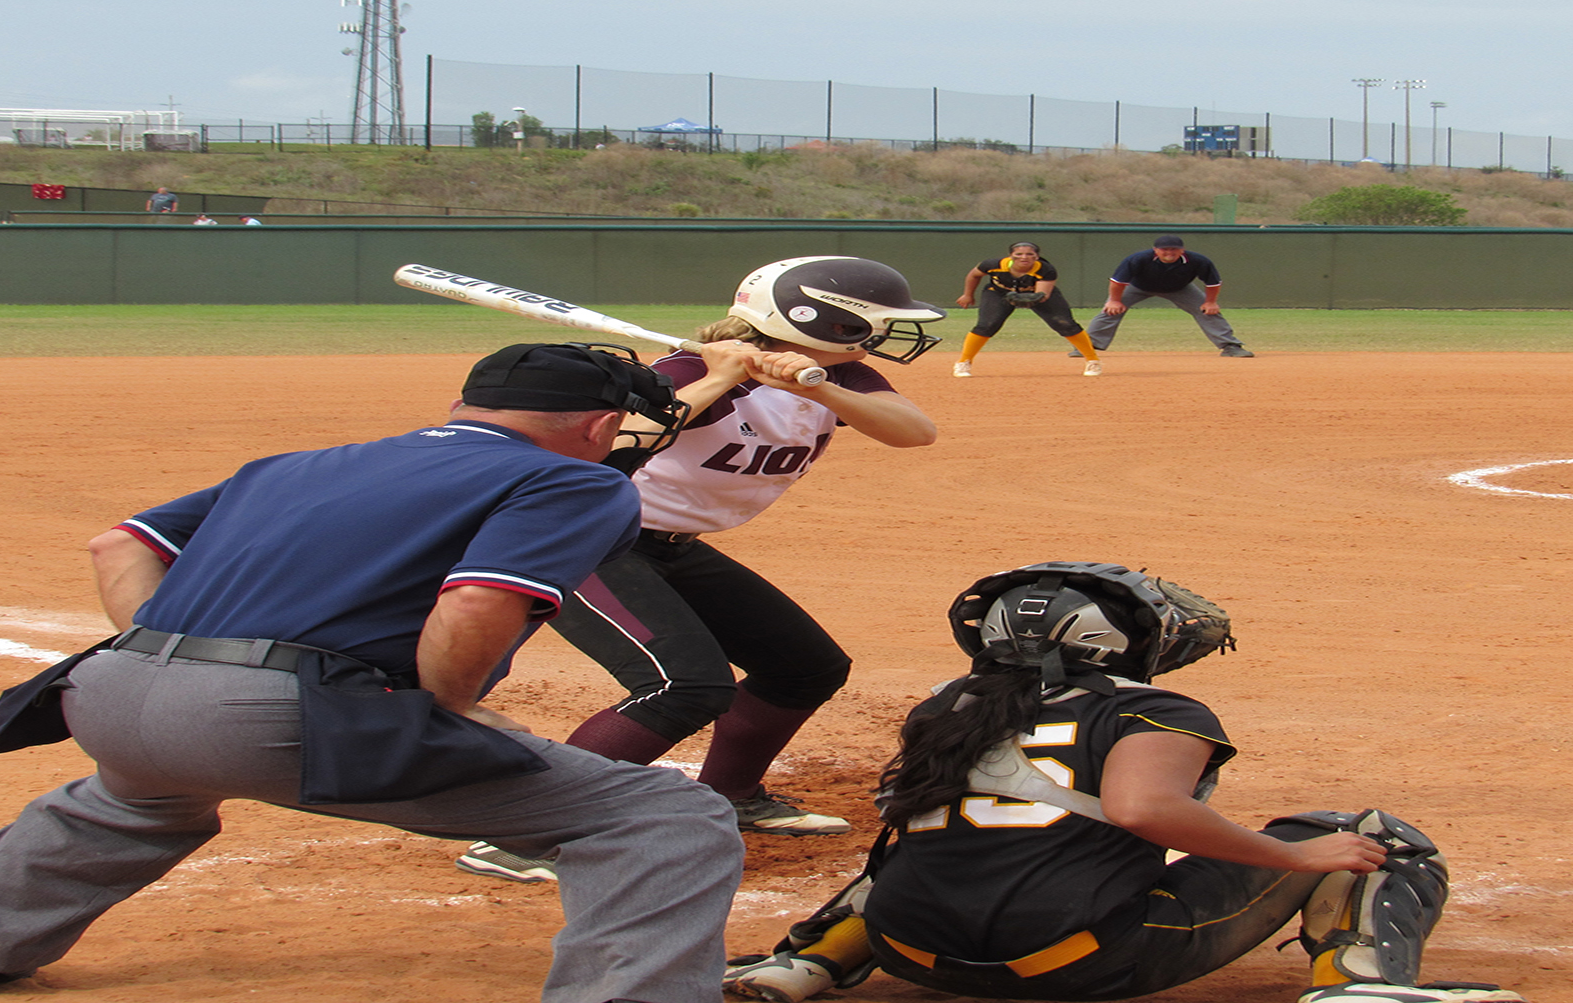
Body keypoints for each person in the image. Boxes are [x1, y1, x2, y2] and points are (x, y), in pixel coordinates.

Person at [0, 343, 746, 1003]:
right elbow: (477, 600)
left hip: (109, 692)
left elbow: (118, 544)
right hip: (269, 716)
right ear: (600, 427)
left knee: (137, 800)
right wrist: (447, 708)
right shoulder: (571, 479)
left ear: (466, 406)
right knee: (664, 816)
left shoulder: (300, 463)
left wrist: (169, 657)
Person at [721, 562, 1526, 1003]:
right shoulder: (1155, 707)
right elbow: (1143, 809)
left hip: (914, 952)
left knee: (937, 841)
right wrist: (1295, 858)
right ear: (1108, 644)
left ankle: (802, 964)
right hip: (1073, 961)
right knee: (1365, 836)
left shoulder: (946, 704)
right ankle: (1363, 988)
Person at [457, 256, 944, 885]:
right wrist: (719, 380)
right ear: (818, 319)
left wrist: (814, 386)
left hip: (671, 545)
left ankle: (731, 795)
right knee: (684, 684)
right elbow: (612, 445)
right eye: (872, 322)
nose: (883, 335)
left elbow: (915, 432)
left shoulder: (841, 374)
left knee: (804, 667)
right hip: (587, 541)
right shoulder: (687, 372)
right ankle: (523, 833)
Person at [1078, 234, 1255, 358]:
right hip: (1138, 287)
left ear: (1182, 250)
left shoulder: (1198, 261)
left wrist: (1210, 302)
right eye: (1164, 249)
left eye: (1174, 249)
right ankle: (1087, 347)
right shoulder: (1138, 259)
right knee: (1110, 310)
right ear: (1155, 250)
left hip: (1180, 289)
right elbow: (1117, 282)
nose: (1169, 252)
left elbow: (1213, 283)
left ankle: (1230, 346)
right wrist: (1114, 300)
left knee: (1208, 311)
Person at [953, 242, 1103, 378]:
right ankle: (964, 362)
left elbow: (1042, 295)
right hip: (998, 292)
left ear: (1036, 257)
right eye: (1018, 254)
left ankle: (1092, 360)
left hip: (1034, 293)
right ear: (1010, 255)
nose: (1024, 257)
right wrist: (967, 295)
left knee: (1065, 324)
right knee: (987, 325)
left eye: (1029, 254)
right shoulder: (993, 264)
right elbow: (974, 275)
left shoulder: (1045, 269)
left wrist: (1028, 299)